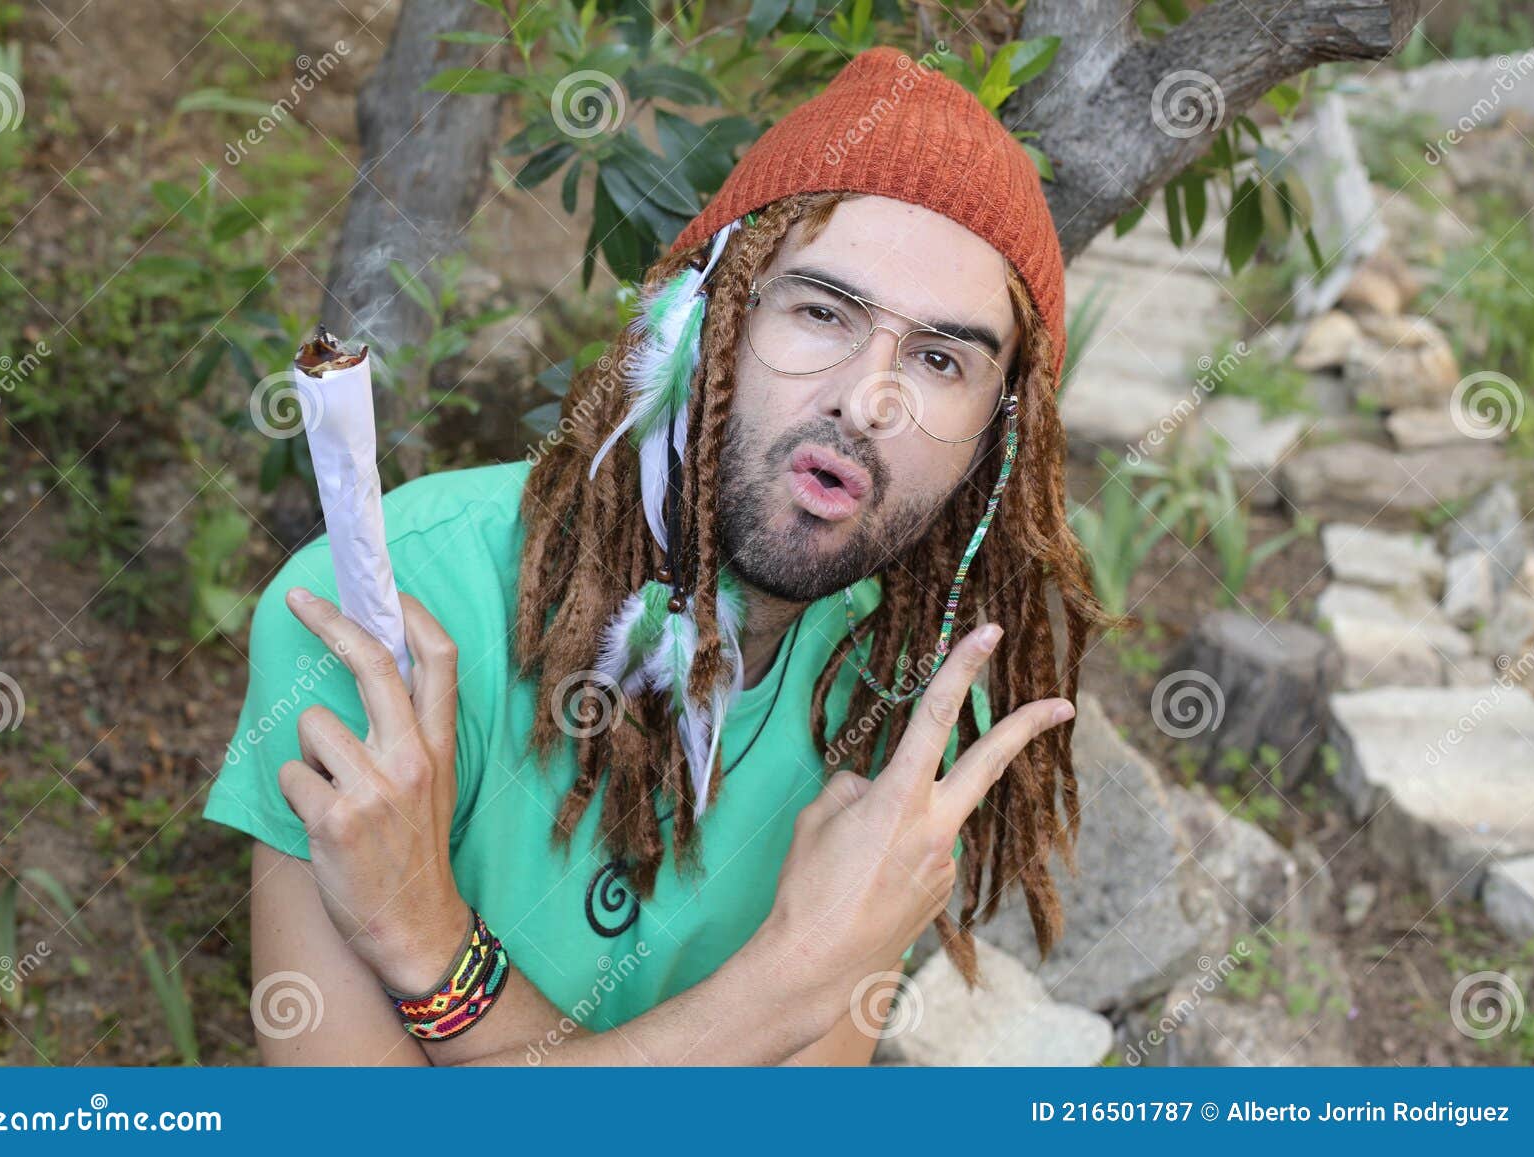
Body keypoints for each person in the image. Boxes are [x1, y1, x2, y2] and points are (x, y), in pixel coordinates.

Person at [204, 44, 1110, 1066]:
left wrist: (434, 951)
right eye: (820, 311)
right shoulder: (388, 605)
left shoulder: (903, 704)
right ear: (705, 319)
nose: (869, 399)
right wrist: (787, 980)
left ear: (996, 441)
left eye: (942, 358)